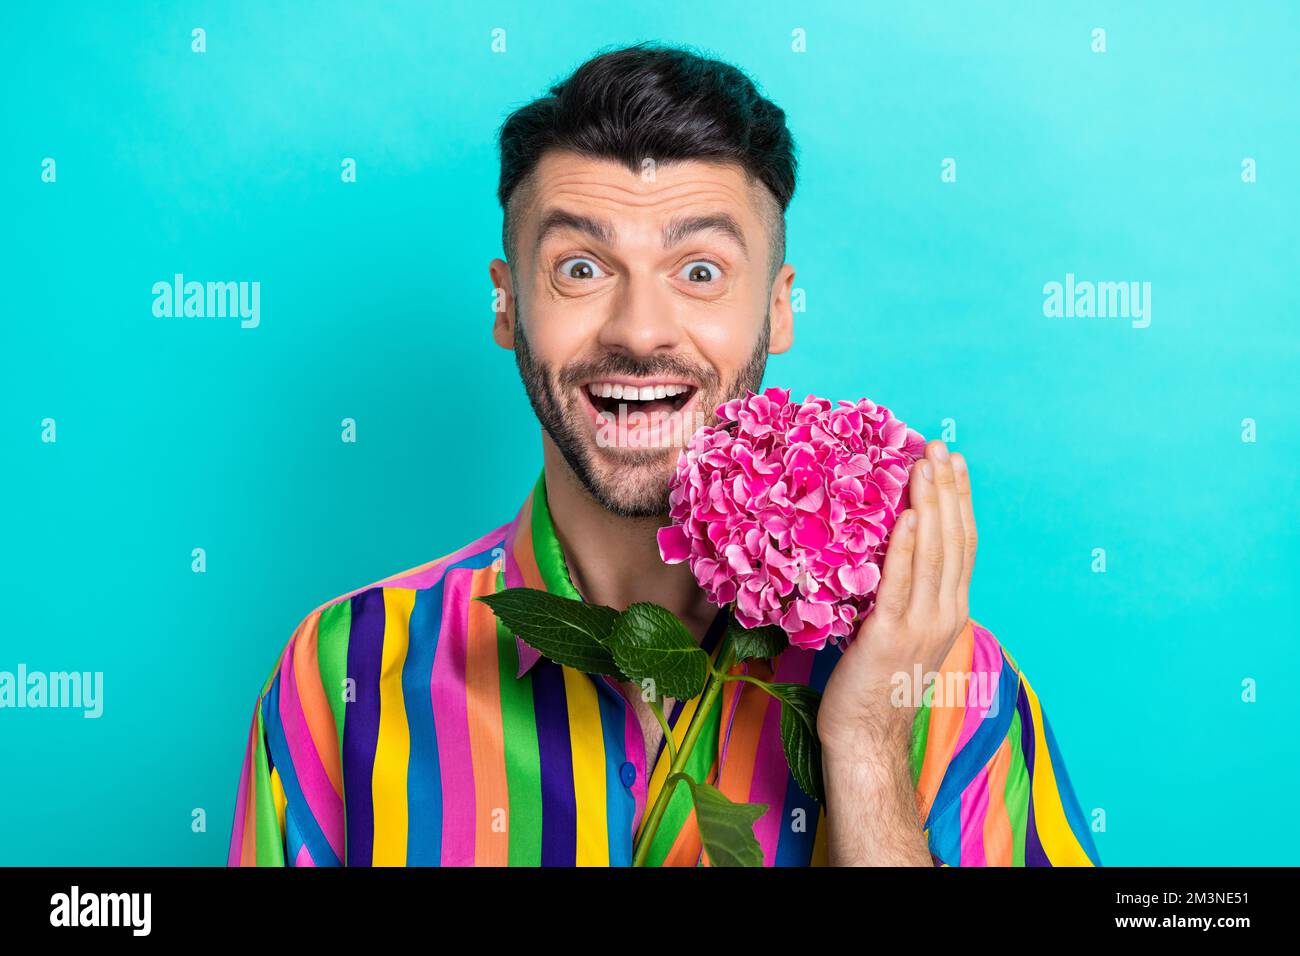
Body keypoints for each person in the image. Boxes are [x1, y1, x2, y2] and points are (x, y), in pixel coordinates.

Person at [228, 42, 1099, 867]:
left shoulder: (950, 684)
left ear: (779, 309)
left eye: (701, 271)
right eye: (580, 269)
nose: (640, 331)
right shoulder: (342, 674)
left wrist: (869, 745)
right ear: (506, 306)